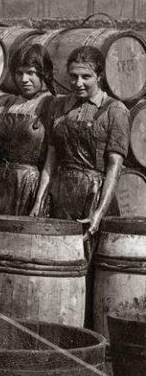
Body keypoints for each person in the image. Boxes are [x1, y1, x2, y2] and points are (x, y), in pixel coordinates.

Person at [32, 45, 130, 236]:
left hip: (93, 196)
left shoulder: (115, 110)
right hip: (59, 196)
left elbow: (114, 167)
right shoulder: (58, 106)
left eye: (86, 77)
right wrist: (39, 202)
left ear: (99, 77)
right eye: (73, 76)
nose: (78, 83)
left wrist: (99, 213)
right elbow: (50, 161)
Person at [0, 43, 56, 216]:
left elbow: (51, 162)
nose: (24, 79)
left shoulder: (52, 107)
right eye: (19, 73)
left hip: (29, 187)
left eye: (31, 73)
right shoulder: (3, 105)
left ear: (44, 74)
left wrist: (39, 202)